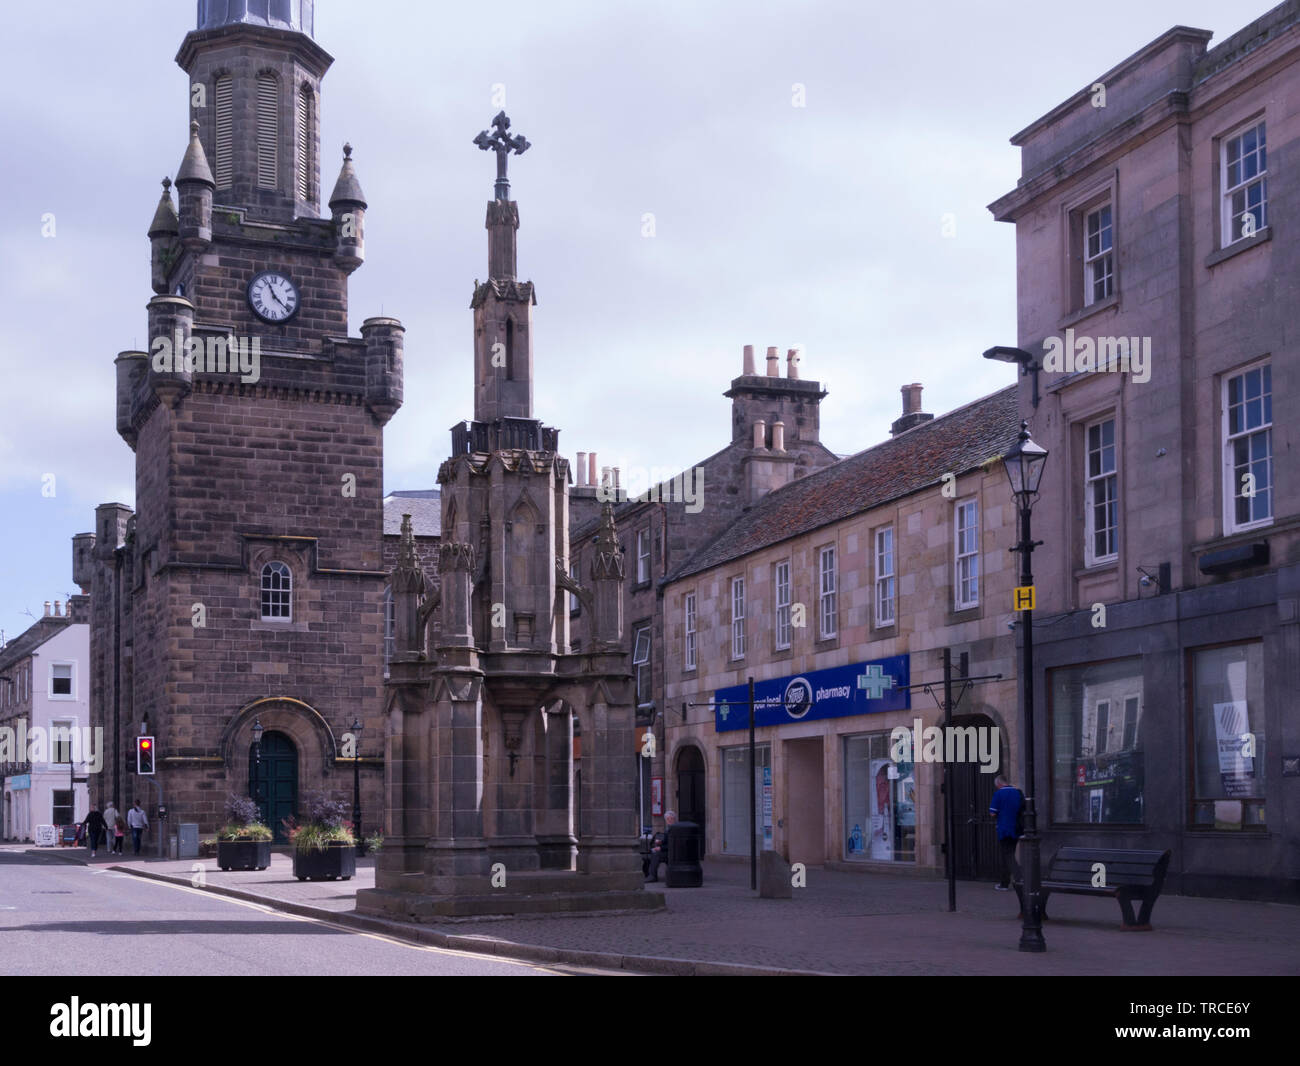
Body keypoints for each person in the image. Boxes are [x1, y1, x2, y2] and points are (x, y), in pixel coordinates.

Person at [989, 774, 1024, 891]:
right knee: (1008, 854)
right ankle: (1004, 883)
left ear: (998, 784)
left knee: (1008, 855)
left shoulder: (999, 794)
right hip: (1017, 828)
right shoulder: (1017, 792)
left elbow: (993, 813)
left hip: (1004, 829)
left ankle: (1020, 879)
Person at [645, 810, 677, 883]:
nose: (669, 821)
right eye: (668, 819)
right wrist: (660, 842)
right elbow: (667, 842)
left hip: (672, 852)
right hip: (667, 850)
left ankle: (652, 876)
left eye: (671, 819)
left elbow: (673, 844)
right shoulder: (668, 829)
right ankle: (651, 874)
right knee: (653, 852)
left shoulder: (675, 829)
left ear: (674, 819)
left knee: (656, 854)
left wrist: (661, 848)